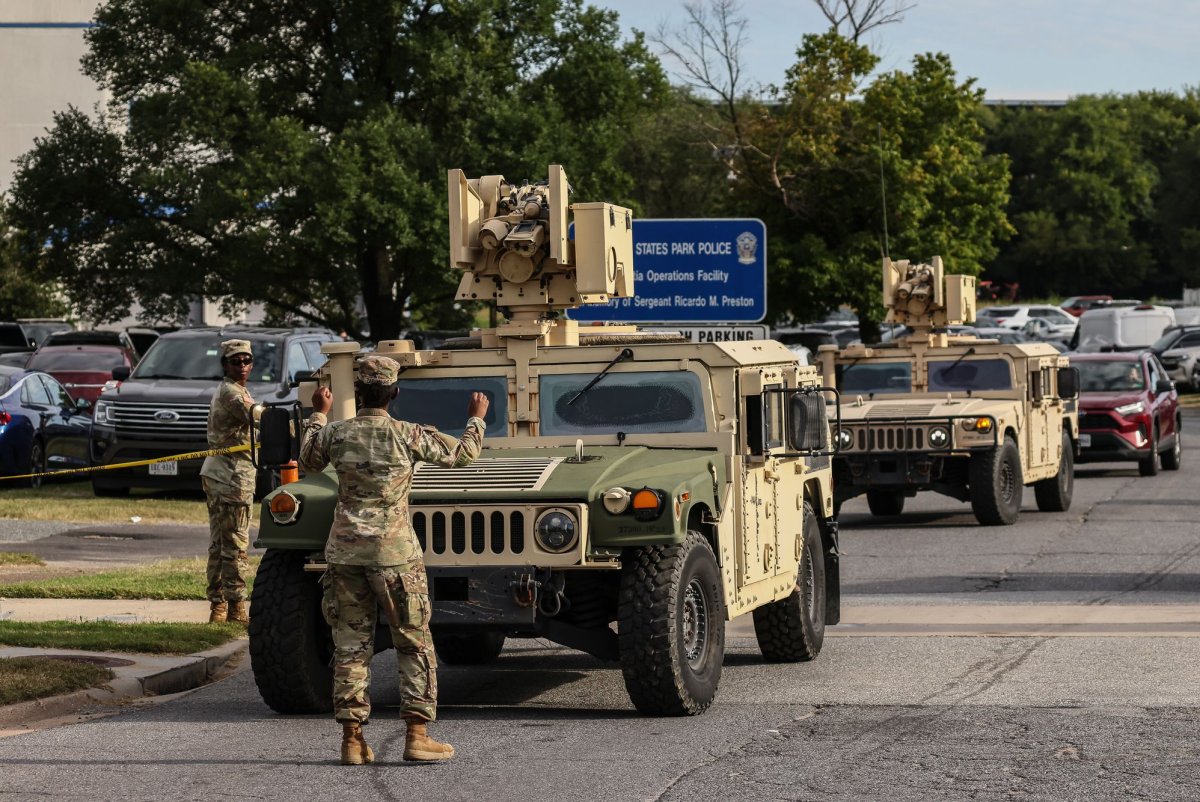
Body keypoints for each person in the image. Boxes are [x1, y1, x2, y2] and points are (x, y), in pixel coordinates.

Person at [299, 354, 488, 766]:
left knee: (350, 646)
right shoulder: (407, 434)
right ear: (395, 393)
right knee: (413, 642)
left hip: (345, 555)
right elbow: (464, 455)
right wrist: (476, 418)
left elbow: (308, 460)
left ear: (360, 392)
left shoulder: (336, 433)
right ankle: (417, 736)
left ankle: (352, 741)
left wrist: (318, 414)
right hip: (395, 555)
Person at [199, 339, 262, 625]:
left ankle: (219, 607)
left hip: (221, 474)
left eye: (247, 360)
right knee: (234, 543)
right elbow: (260, 418)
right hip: (231, 477)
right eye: (236, 361)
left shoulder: (235, 390)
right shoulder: (233, 394)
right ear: (224, 364)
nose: (243, 365)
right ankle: (234, 608)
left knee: (220, 542)